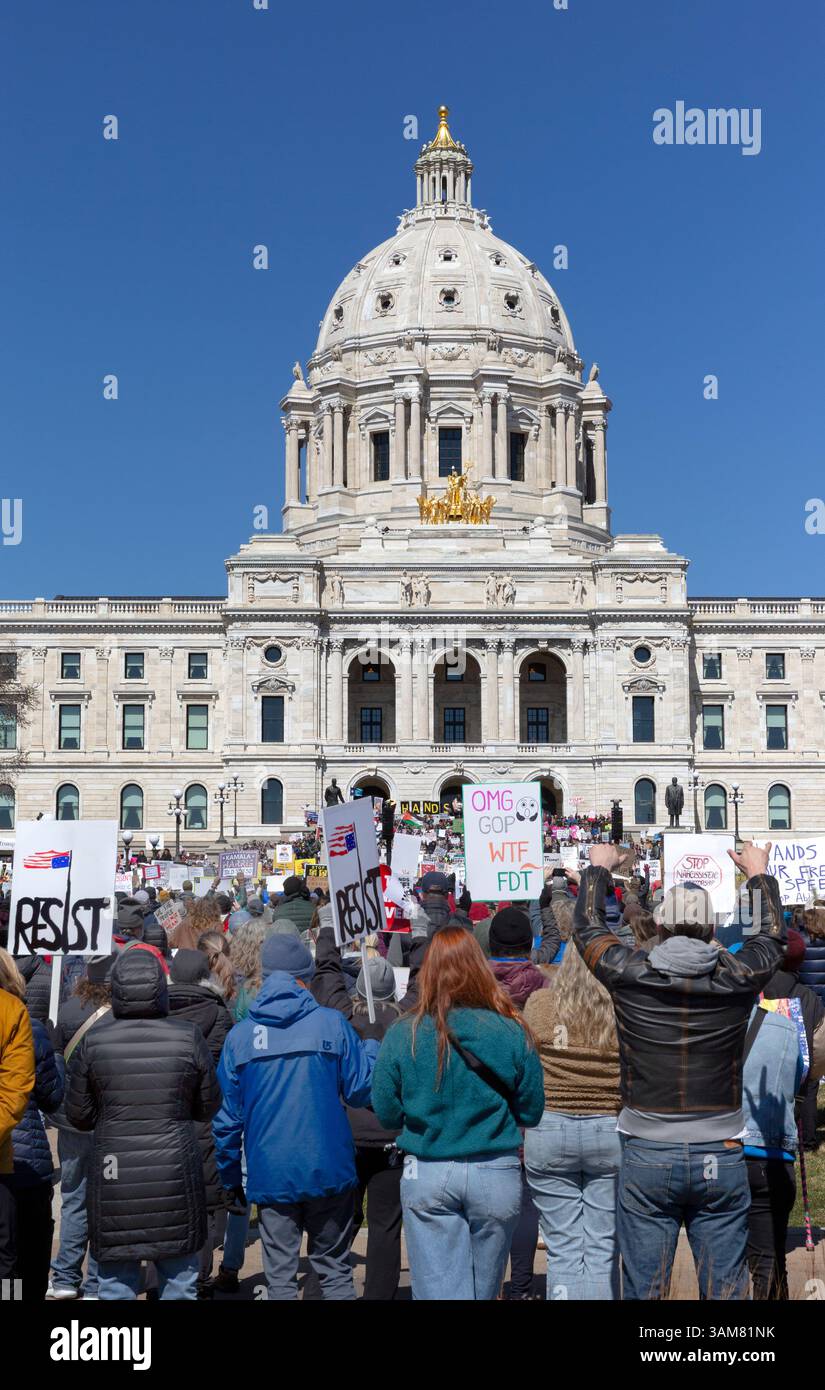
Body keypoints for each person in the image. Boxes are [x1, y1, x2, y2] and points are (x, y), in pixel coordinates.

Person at [574, 840, 786, 1301]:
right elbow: (768, 941)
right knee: (727, 1290)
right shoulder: (738, 977)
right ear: (711, 926)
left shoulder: (629, 973)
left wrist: (599, 871)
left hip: (648, 1145)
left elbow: (589, 930)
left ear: (661, 924)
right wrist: (757, 875)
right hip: (721, 1148)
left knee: (645, 1290)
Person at [371, 927, 544, 1301]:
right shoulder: (511, 1029)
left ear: (427, 971)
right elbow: (531, 1110)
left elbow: (385, 1111)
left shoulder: (405, 1032)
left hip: (430, 1168)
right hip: (495, 1170)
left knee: (438, 1291)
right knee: (483, 1289)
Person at [213, 933, 379, 1300]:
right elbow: (361, 1091)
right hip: (328, 1169)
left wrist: (230, 1179)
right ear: (305, 978)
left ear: (265, 977)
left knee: (281, 1280)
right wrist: (369, 1048)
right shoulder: (333, 1024)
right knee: (335, 1273)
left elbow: (227, 1121)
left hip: (273, 1173)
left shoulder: (240, 1037)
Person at [65, 946, 221, 1300]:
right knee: (179, 1280)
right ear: (161, 989)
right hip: (173, 1171)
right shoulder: (187, 1036)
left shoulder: (95, 1041)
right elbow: (208, 1104)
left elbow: (78, 1114)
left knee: (116, 1282)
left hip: (115, 1172)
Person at [523, 934, 622, 1299]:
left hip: (550, 1127)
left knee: (563, 1250)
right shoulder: (621, 1006)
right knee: (601, 1250)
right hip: (608, 1128)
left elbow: (527, 1063)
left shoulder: (539, 1004)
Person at [311, 926, 404, 1300]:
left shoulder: (341, 1017)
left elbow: (327, 978)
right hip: (390, 1137)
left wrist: (330, 933)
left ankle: (319, 1291)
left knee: (336, 1224)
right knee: (385, 1227)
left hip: (347, 1135)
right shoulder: (407, 1019)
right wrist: (411, 935)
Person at [168, 950, 234, 1298]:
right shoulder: (220, 1014)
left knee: (171, 1197)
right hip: (209, 1115)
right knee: (208, 1200)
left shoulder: (158, 1011)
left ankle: (168, 1277)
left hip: (169, 1115)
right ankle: (202, 1276)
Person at [49, 955, 114, 1300]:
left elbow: (57, 1061)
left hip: (72, 1119)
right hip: (107, 1121)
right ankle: (97, 1280)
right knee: (105, 1200)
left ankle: (64, 1277)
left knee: (73, 1198)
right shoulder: (121, 1015)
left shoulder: (67, 1010)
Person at [739, 995, 807, 1299]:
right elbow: (794, 1084)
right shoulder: (786, 1028)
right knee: (772, 1261)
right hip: (775, 1154)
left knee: (723, 1261)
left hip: (726, 1151)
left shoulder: (713, 1026)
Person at [1, 949, 58, 1300]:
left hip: (13, 1161)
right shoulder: (20, 1017)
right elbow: (45, 1096)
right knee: (15, 1262)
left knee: (8, 1260)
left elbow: (16, 1092)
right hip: (23, 1162)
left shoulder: (15, 1017)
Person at [0, 954, 35, 1284]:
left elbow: (15, 1090)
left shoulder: (10, 1011)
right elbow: (15, 1093)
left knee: (7, 1265)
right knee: (7, 1264)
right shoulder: (11, 1009)